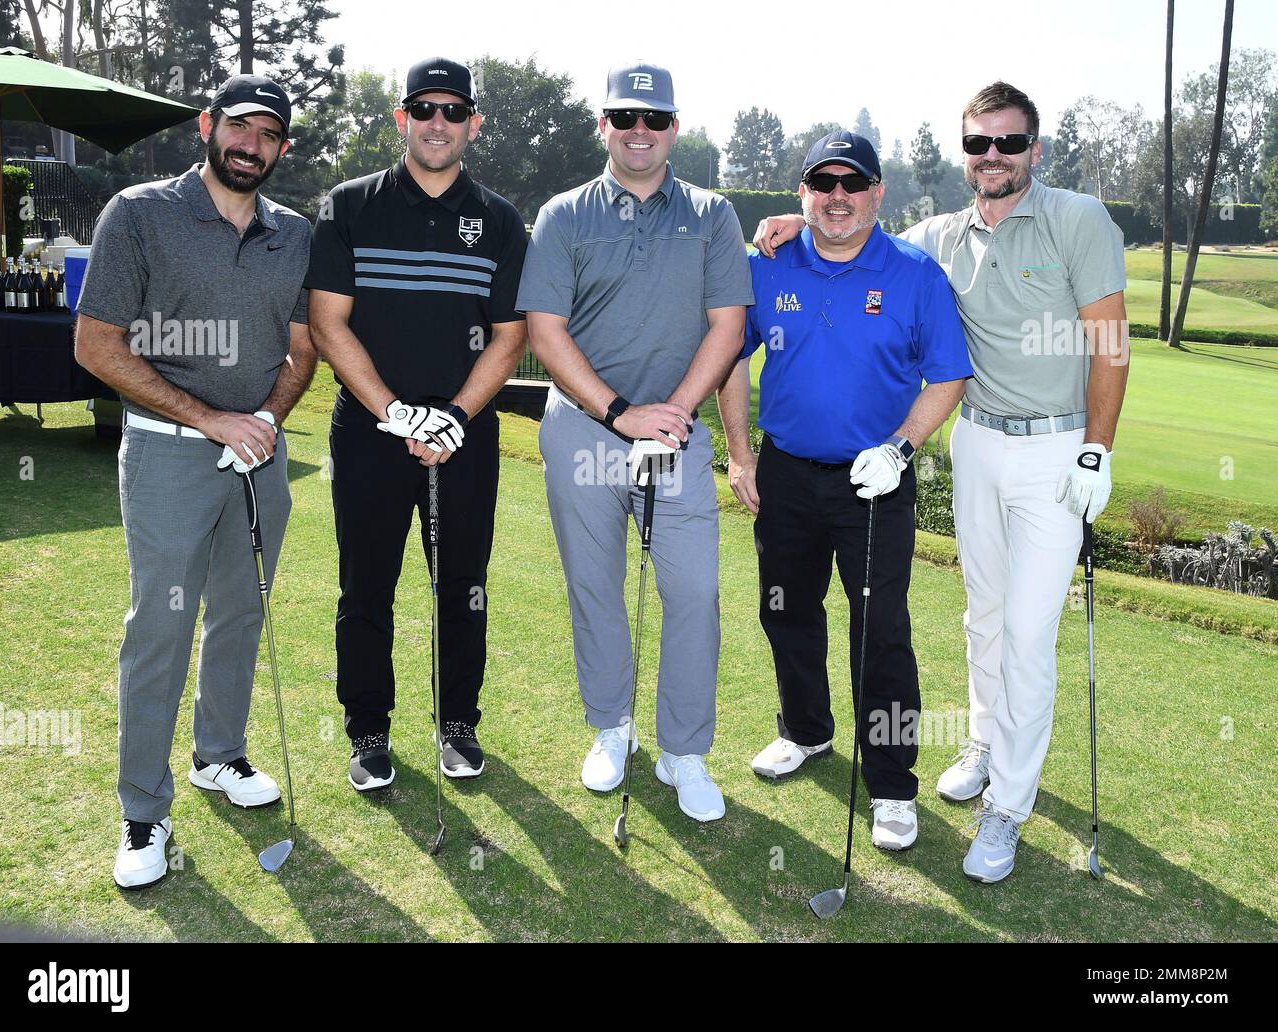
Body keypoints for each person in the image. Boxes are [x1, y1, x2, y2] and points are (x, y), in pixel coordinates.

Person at [754, 82, 1129, 881]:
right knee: (984, 619)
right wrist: (793, 221)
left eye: (1009, 142)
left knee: (1029, 637)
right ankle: (986, 744)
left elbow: (1111, 344)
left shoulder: (1077, 220)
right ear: (965, 154)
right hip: (976, 448)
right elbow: (859, 232)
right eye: (978, 144)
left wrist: (1097, 450)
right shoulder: (942, 234)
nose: (993, 157)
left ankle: (1008, 811)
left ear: (1035, 147)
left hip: (1056, 453)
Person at [75, 74, 316, 889]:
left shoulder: (294, 233)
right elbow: (97, 346)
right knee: (161, 628)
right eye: (240, 128)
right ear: (208, 127)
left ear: (282, 148)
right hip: (169, 454)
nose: (252, 146)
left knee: (242, 611)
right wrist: (214, 420)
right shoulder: (139, 213)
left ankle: (220, 755)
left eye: (270, 135)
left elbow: (303, 349)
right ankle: (143, 811)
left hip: (260, 453)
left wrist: (268, 421)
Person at [719, 130, 971, 852]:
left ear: (876, 193)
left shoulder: (915, 273)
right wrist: (740, 456)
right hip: (788, 472)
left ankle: (891, 782)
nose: (836, 197)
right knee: (787, 611)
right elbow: (731, 357)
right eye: (821, 184)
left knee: (880, 630)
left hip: (876, 480)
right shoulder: (765, 263)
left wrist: (900, 449)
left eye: (850, 184)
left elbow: (949, 372)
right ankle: (805, 731)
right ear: (802, 194)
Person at [518, 62, 752, 823]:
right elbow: (545, 333)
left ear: (675, 127)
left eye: (654, 120)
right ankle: (611, 728)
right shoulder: (565, 213)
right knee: (596, 589)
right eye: (625, 118)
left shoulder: (713, 214)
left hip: (675, 440)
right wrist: (622, 413)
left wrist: (674, 414)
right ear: (604, 126)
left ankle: (684, 751)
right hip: (585, 430)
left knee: (693, 594)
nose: (639, 132)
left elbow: (728, 325)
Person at [306, 57, 528, 789]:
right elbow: (329, 324)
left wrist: (455, 417)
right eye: (423, 109)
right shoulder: (350, 204)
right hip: (370, 430)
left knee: (462, 585)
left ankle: (457, 724)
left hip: (464, 437)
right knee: (365, 588)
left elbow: (508, 336)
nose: (438, 122)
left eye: (452, 110)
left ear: (473, 124)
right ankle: (368, 731)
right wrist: (398, 412)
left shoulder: (499, 220)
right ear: (402, 118)